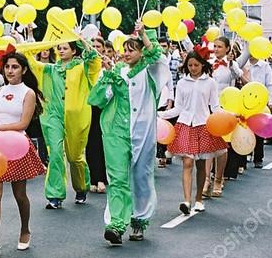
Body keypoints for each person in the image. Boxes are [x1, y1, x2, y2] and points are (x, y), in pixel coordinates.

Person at [89, 23, 169, 245]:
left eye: (131, 49)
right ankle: (116, 224)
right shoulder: (116, 72)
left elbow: (156, 54)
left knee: (141, 177)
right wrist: (107, 78)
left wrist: (143, 34)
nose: (125, 53)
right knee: (117, 178)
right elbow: (97, 100)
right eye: (124, 49)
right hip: (116, 132)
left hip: (143, 132)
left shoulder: (151, 69)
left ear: (142, 50)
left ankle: (138, 220)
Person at [0, 48, 45, 258]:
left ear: (24, 70)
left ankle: (25, 229)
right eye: (7, 67)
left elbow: (22, 123)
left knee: (19, 194)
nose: (10, 70)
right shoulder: (0, 90)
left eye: (15, 67)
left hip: (17, 144)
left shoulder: (28, 93)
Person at [29, 39, 100, 208]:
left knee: (75, 157)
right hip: (53, 116)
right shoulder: (51, 69)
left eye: (65, 48)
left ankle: (81, 187)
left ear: (74, 51)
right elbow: (32, 64)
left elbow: (95, 61)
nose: (61, 51)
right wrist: (26, 43)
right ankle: (55, 195)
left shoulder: (82, 67)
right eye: (59, 48)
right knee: (54, 153)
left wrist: (83, 41)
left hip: (76, 117)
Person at [159, 45, 227, 215]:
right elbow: (178, 108)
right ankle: (186, 200)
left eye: (196, 65)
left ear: (203, 64)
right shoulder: (182, 83)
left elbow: (215, 106)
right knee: (187, 162)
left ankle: (198, 199)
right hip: (185, 125)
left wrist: (228, 117)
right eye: (190, 65)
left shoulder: (210, 82)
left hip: (204, 125)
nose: (193, 68)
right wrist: (161, 115)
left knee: (202, 164)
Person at [209, 36, 240, 195]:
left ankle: (218, 179)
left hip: (226, 106)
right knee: (208, 144)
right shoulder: (209, 62)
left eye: (220, 46)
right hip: (208, 106)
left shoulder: (231, 64)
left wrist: (231, 63)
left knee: (222, 145)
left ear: (227, 48)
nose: (216, 49)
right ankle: (207, 178)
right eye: (215, 46)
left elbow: (238, 75)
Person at [239, 49, 272, 168]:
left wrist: (271, 101)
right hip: (244, 101)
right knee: (244, 128)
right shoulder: (242, 65)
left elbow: (270, 84)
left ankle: (258, 157)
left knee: (259, 129)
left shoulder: (264, 66)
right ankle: (244, 155)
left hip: (260, 102)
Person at [85, 37, 110, 194]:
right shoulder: (85, 66)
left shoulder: (107, 66)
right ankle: (92, 179)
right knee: (89, 143)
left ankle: (101, 178)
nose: (95, 48)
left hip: (104, 107)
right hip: (87, 107)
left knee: (101, 143)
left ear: (103, 49)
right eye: (92, 45)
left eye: (98, 46)